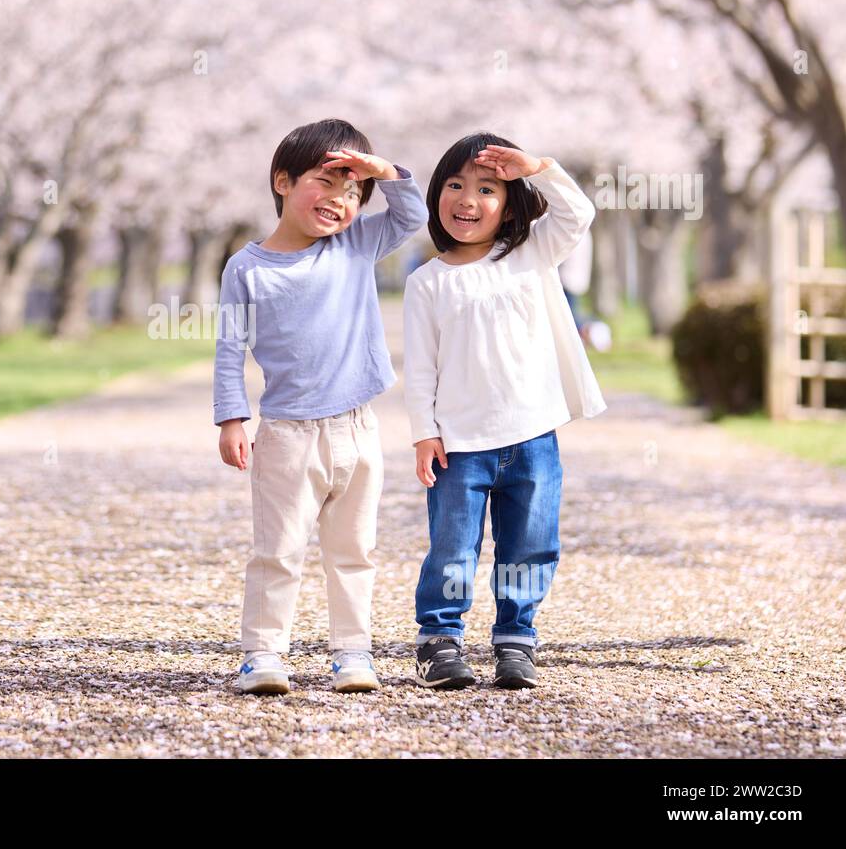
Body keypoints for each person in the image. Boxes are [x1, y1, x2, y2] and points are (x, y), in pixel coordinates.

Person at [213, 118, 427, 694]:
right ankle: (263, 654)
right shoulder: (247, 268)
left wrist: (386, 173)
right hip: (286, 434)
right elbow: (230, 347)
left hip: (357, 429)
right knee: (278, 551)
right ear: (282, 181)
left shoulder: (356, 244)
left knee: (354, 550)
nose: (339, 200)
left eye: (353, 192)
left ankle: (353, 652)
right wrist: (232, 417)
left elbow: (413, 216)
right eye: (325, 183)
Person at [402, 133, 606, 690]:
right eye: (455, 185)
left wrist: (537, 167)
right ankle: (439, 639)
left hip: (532, 436)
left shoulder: (531, 254)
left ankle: (516, 640)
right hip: (460, 444)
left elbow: (578, 212)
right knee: (452, 547)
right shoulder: (426, 282)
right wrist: (424, 432)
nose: (468, 200)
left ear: (510, 201)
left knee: (530, 544)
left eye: (487, 189)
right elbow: (420, 368)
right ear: (437, 197)